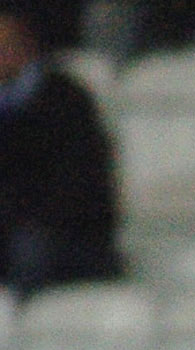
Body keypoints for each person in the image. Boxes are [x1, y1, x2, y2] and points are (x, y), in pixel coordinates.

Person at [0, 4, 117, 292]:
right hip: (10, 230)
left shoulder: (67, 99)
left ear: (27, 44)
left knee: (29, 251)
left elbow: (80, 186)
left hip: (68, 237)